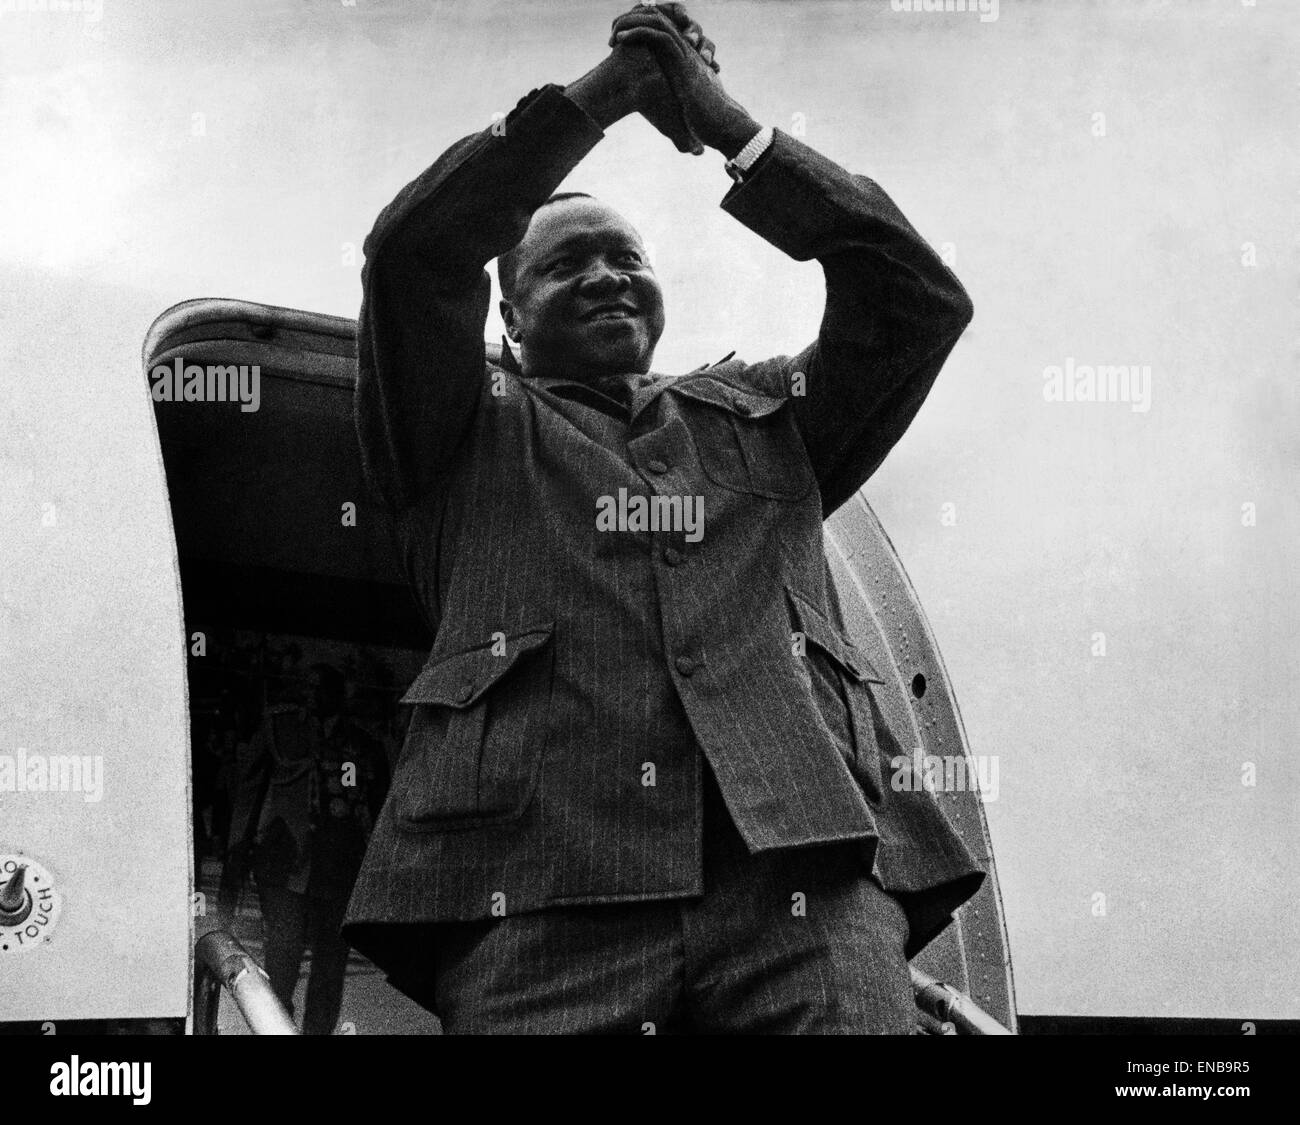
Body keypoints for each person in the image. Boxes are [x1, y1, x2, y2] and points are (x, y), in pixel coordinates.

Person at [344, 2, 984, 1033]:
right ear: (506, 317)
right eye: (563, 264)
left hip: (799, 889)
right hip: (534, 899)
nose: (605, 274)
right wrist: (608, 96)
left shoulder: (773, 419)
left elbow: (914, 300)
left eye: (627, 257)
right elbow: (412, 256)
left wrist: (726, 124)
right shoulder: (456, 428)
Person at [226, 663, 389, 1034]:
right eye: (307, 687)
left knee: (329, 969)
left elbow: (375, 808)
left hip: (338, 871)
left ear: (338, 696)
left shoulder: (363, 746)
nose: (311, 694)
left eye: (321, 688)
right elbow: (250, 789)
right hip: (285, 866)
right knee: (280, 962)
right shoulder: (284, 730)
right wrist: (239, 847)